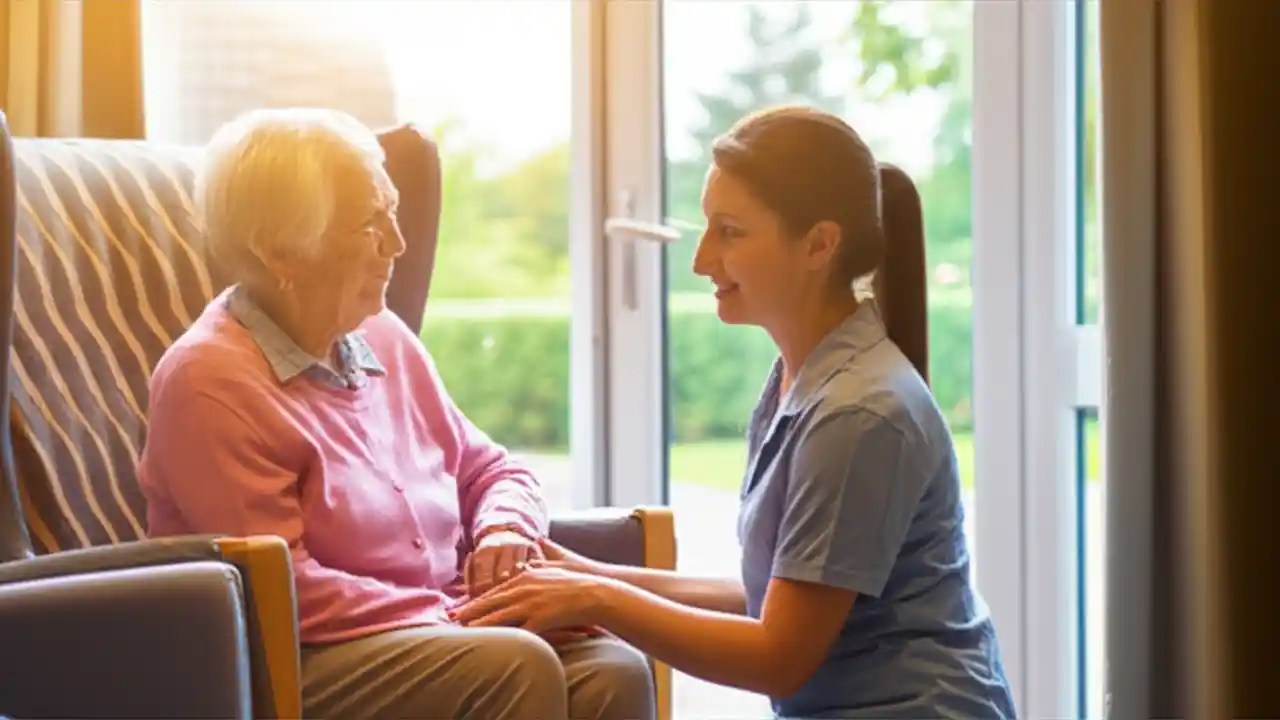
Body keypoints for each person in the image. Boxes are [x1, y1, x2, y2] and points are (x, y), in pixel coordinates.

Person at [455, 106, 1017, 719]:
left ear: (820, 244)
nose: (700, 259)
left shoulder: (859, 414)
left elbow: (777, 654)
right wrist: (580, 574)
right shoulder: (802, 380)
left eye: (730, 232)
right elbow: (769, 601)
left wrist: (595, 596)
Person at [137, 107, 654, 720]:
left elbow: (490, 470)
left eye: (392, 214)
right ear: (283, 253)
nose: (399, 246)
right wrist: (461, 616)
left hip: (440, 626)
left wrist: (505, 530)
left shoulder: (382, 337)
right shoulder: (209, 381)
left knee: (612, 671)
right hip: (293, 659)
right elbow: (281, 591)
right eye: (369, 225)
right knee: (513, 662)